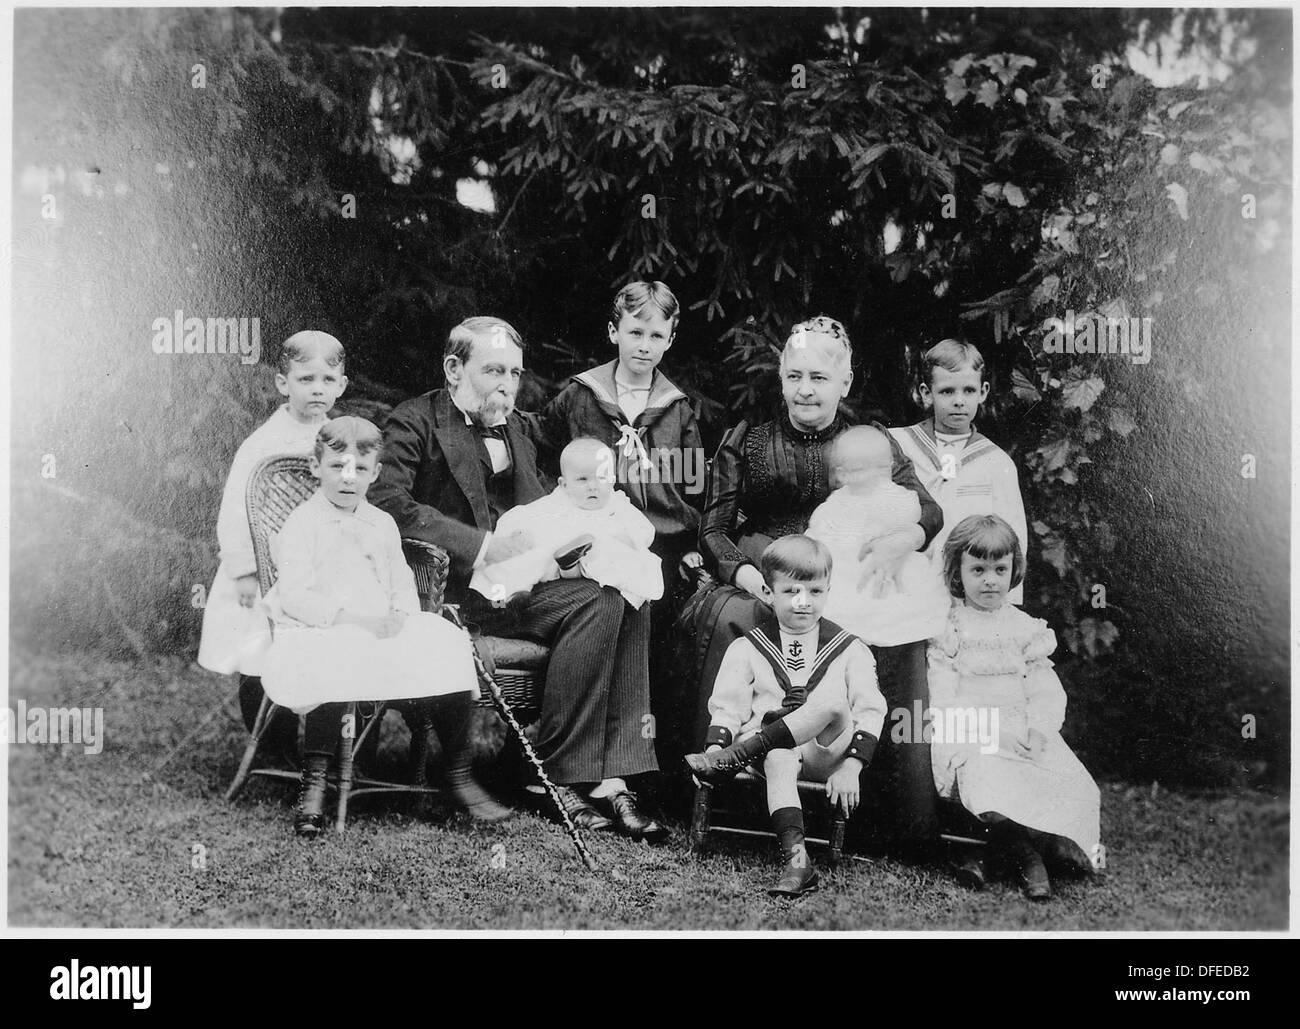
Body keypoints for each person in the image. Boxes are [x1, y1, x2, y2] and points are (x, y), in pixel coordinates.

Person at [368, 316, 666, 841]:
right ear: (453, 369)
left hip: (533, 588)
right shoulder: (414, 421)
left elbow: (583, 462)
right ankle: (554, 772)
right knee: (599, 602)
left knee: (628, 593)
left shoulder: (523, 429)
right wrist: (482, 545)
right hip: (460, 592)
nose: (507, 385)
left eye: (514, 373)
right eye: (493, 371)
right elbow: (388, 501)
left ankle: (609, 774)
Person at [681, 315, 944, 860]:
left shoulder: (869, 442)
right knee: (737, 618)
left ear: (844, 383)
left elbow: (929, 509)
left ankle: (884, 812)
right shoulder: (746, 436)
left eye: (820, 378)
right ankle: (728, 782)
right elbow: (713, 530)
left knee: (887, 634)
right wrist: (749, 577)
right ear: (780, 377)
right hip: (760, 569)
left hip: (839, 575)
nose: (805, 389)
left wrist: (904, 540)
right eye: (795, 375)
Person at [259, 417, 493, 836]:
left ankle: (459, 772)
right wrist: (350, 619)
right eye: (337, 467)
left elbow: (401, 583)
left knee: (447, 639)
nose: (348, 479)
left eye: (360, 470)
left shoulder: (381, 523)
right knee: (333, 652)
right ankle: (314, 783)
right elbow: (295, 594)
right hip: (321, 625)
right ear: (316, 467)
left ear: (375, 473)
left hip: (379, 626)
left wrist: (400, 616)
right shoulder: (303, 522)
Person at [542, 281, 705, 765]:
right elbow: (548, 452)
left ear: (670, 340)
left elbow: (693, 486)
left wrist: (693, 539)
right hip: (592, 538)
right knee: (605, 615)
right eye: (635, 332)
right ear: (614, 331)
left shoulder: (676, 410)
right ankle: (593, 757)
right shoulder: (581, 397)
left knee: (658, 630)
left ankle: (643, 763)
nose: (644, 346)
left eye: (657, 336)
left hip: (660, 543)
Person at [685, 536, 887, 897]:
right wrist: (716, 743)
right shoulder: (748, 647)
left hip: (826, 753)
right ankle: (797, 861)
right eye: (791, 591)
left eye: (815, 591)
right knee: (778, 755)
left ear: (828, 591)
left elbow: (870, 708)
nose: (804, 601)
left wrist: (852, 766)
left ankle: (734, 758)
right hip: (772, 757)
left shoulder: (850, 648)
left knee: (833, 703)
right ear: (768, 591)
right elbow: (728, 708)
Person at [929, 514, 1101, 899]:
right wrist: (995, 733)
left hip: (1021, 727)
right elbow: (943, 700)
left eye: (999, 569)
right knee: (987, 774)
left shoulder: (1025, 629)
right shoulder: (950, 629)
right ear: (958, 572)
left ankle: (1033, 843)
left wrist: (1038, 729)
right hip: (968, 729)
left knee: (1068, 777)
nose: (990, 579)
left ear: (1014, 570)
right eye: (977, 569)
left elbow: (1045, 689)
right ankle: (1027, 856)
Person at [197, 330, 348, 753]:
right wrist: (244, 569)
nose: (317, 389)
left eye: (326, 381)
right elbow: (235, 510)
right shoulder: (262, 444)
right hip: (264, 571)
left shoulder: (340, 439)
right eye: (305, 380)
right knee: (259, 653)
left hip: (317, 570)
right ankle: (273, 744)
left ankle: (330, 748)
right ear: (283, 384)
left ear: (341, 386)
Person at [888, 338, 1029, 603]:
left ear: (983, 391)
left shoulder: (997, 464)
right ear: (927, 392)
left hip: (968, 595)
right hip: (907, 590)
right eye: (947, 391)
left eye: (968, 390)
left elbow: (1013, 540)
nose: (959, 401)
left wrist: (1004, 605)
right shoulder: (899, 445)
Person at [471, 438, 663, 609]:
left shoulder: (618, 503)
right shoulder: (558, 502)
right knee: (532, 553)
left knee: (628, 559)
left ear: (612, 480)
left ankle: (571, 565)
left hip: (601, 556)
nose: (593, 486)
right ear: (564, 485)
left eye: (602, 478)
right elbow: (532, 517)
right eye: (582, 479)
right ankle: (507, 594)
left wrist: (629, 538)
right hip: (560, 552)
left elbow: (644, 530)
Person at [806, 426, 950, 646]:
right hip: (851, 575)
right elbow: (818, 530)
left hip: (893, 572)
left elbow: (915, 512)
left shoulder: (897, 497)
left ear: (891, 467)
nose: (875, 476)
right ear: (842, 474)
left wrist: (895, 533)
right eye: (861, 469)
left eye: (882, 468)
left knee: (905, 604)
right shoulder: (837, 503)